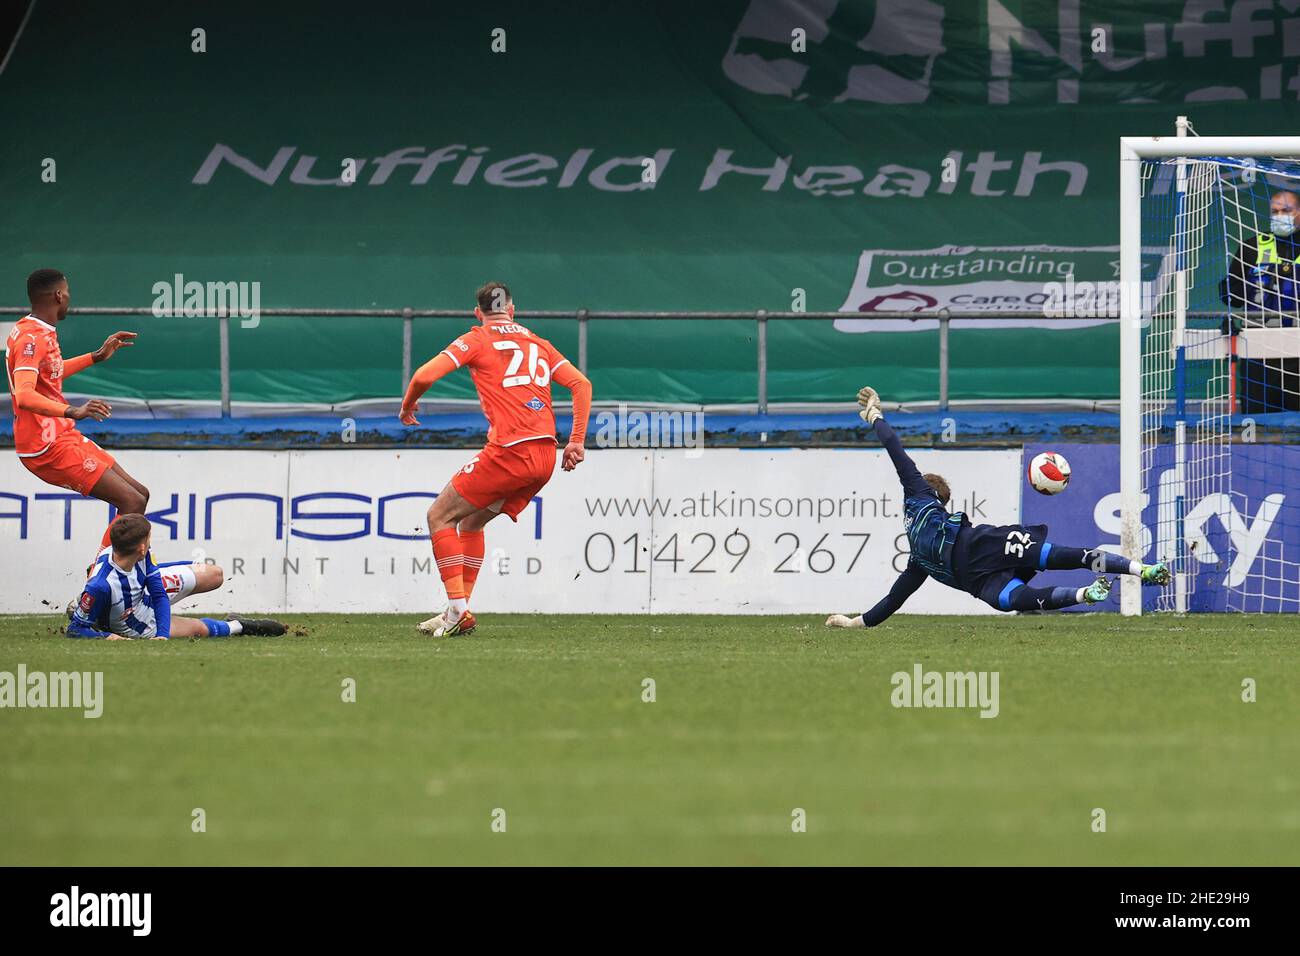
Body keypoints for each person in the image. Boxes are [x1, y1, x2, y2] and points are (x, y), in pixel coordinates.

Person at [824, 387, 1170, 629]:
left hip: (980, 557)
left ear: (931, 494)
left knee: (1035, 580)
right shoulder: (919, 553)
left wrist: (875, 416)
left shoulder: (918, 536)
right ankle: (1098, 588)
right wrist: (875, 417)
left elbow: (893, 600)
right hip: (985, 558)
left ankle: (1134, 573)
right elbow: (894, 600)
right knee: (1040, 578)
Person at [399, 281, 592, 636]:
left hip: (510, 452)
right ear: (513, 310)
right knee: (471, 523)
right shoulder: (539, 343)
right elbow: (582, 384)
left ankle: (457, 610)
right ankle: (457, 611)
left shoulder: (477, 338)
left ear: (478, 312)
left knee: (439, 516)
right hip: (545, 456)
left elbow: (423, 375)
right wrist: (576, 441)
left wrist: (409, 405)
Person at [7, 268, 151, 552]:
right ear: (59, 295)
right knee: (131, 502)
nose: (70, 297)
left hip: (62, 436)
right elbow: (24, 395)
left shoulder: (37, 330)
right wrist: (72, 411)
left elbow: (50, 374)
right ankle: (99, 581)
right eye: (68, 291)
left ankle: (107, 575)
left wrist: (95, 357)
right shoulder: (31, 338)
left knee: (140, 496)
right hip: (44, 447)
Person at [66, 514, 285, 639]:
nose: (151, 540)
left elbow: (159, 594)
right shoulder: (102, 585)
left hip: (145, 590)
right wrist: (107, 637)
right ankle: (239, 626)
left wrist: (163, 634)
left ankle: (87, 607)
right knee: (198, 629)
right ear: (141, 548)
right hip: (133, 619)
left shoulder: (142, 555)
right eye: (150, 538)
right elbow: (74, 631)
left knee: (214, 575)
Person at [1220, 189, 1300, 411]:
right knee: (1257, 421)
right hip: (1259, 351)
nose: (1280, 216)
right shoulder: (1252, 246)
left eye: (1286, 210)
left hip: (1299, 350)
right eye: (1275, 211)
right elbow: (1231, 295)